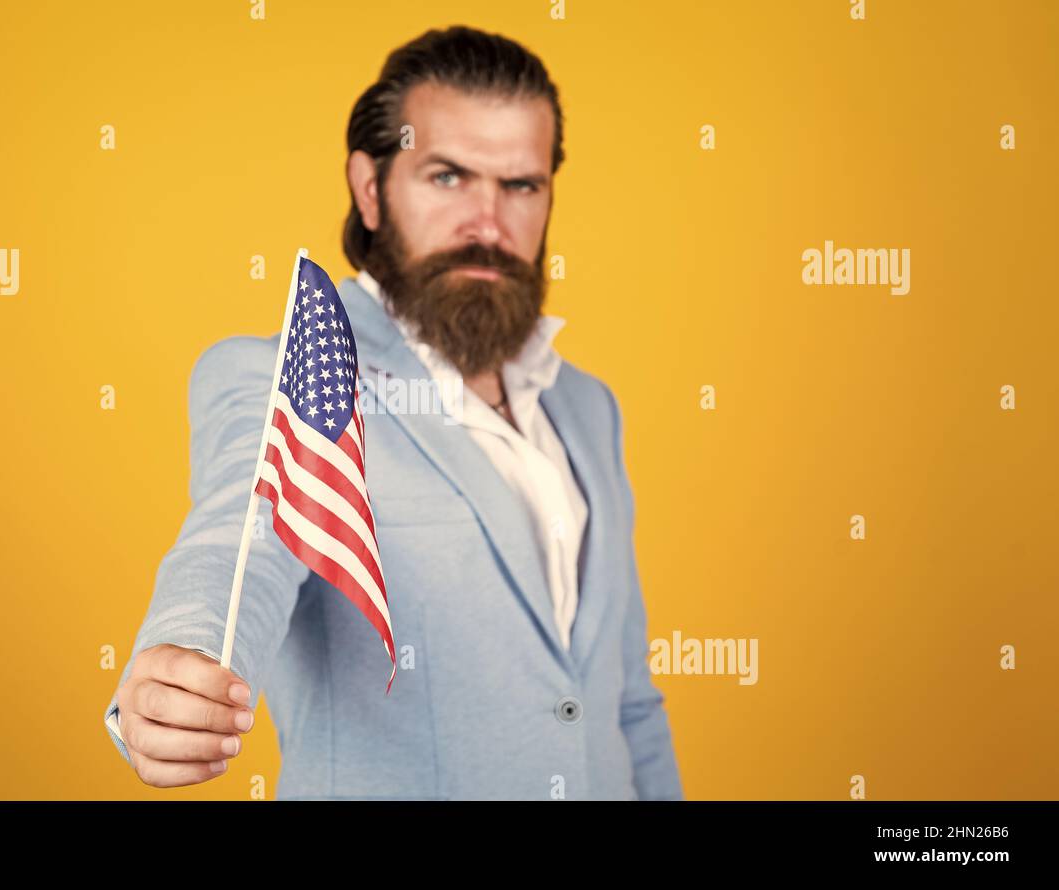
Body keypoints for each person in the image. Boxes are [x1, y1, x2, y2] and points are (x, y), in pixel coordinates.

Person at [103, 25, 683, 801]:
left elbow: (627, 703)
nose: (488, 222)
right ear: (370, 187)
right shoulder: (293, 375)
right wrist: (182, 664)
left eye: (521, 185)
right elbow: (239, 533)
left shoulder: (588, 406)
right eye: (448, 177)